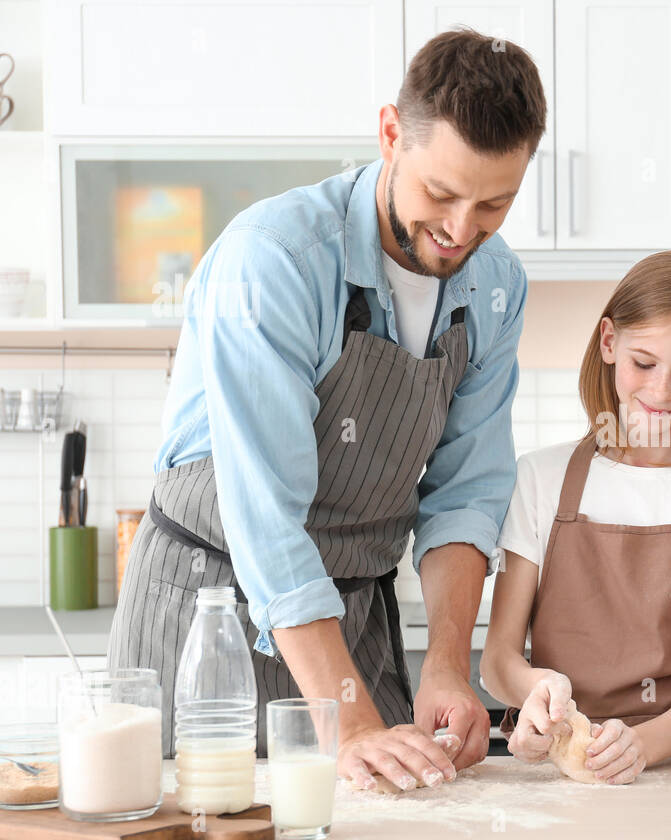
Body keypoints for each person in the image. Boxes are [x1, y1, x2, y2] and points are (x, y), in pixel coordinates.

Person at [109, 29, 547, 792]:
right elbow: (268, 518)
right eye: (440, 194)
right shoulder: (274, 261)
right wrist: (349, 720)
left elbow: (465, 494)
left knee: (384, 833)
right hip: (209, 606)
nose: (459, 231)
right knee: (211, 830)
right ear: (389, 135)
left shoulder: (496, 287)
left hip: (354, 613)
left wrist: (447, 667)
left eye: (495, 205)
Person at [480, 251, 671, 784]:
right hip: (563, 773)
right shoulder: (541, 479)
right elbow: (497, 660)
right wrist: (536, 700)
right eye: (644, 363)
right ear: (609, 342)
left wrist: (645, 745)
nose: (660, 392)